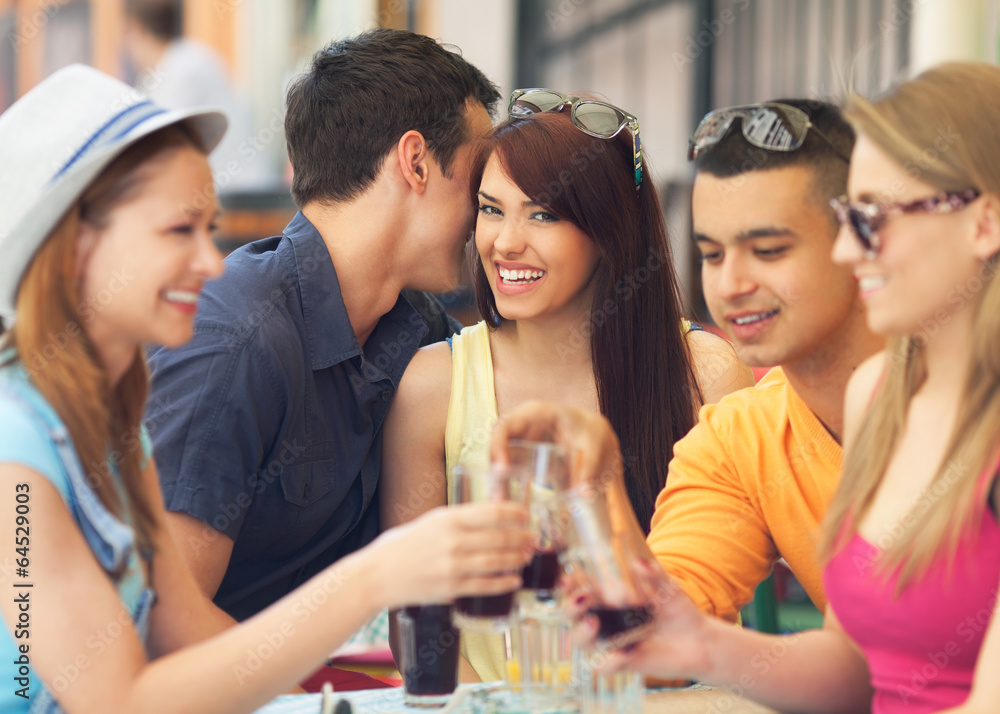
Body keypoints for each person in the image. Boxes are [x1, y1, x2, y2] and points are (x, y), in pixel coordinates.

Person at [0, 64, 532, 714]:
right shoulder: (15, 455)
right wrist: (374, 579)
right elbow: (123, 700)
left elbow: (189, 631)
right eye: (178, 230)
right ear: (76, 244)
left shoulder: (111, 419)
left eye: (206, 227)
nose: (208, 259)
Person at [556, 62, 1000, 714]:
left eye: (874, 218)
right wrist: (696, 642)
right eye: (710, 255)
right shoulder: (879, 392)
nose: (853, 250)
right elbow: (856, 673)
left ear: (984, 223)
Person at [381, 89, 753, 682]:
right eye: (491, 208)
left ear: (609, 230)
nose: (504, 243)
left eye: (543, 214)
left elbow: (715, 614)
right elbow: (419, 624)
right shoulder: (433, 385)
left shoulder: (705, 373)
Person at [144, 28, 496, 637]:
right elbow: (166, 624)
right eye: (480, 174)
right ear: (415, 162)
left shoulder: (416, 326)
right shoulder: (234, 341)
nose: (488, 207)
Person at [645, 99, 884, 622]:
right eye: (712, 254)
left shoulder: (968, 390)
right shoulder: (741, 435)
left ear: (861, 242)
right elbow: (660, 635)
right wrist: (589, 499)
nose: (730, 287)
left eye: (769, 250)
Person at [121, 0, 267, 192]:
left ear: (135, 27)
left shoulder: (183, 68)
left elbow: (154, 148)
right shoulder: (176, 64)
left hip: (240, 199)